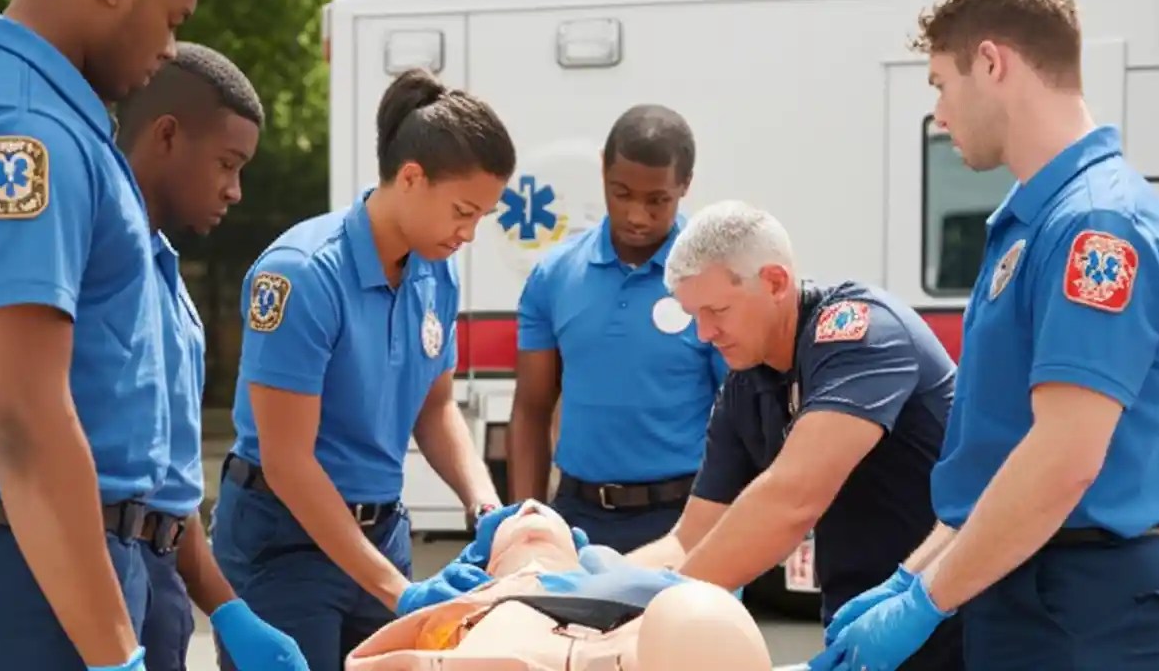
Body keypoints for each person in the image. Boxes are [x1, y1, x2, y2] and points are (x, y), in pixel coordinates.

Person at [810, 0, 1159, 671]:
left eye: (940, 84)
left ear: (991, 62)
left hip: (1083, 606)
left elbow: (1062, 462)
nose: (940, 114)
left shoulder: (1095, 226)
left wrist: (926, 602)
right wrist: (912, 577)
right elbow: (995, 463)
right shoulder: (1034, 221)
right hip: (1026, 587)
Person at [210, 67, 514, 671]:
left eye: (481, 217)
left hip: (379, 532)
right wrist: (399, 592)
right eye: (462, 211)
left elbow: (435, 406)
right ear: (411, 178)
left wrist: (485, 506)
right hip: (284, 542)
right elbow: (288, 461)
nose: (469, 233)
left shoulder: (435, 269)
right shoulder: (302, 274)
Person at [0, 0, 203, 670]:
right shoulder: (25, 131)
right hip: (21, 568)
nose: (170, 49)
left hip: (54, 554)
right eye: (171, 20)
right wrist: (114, 652)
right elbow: (25, 417)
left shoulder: (55, 119)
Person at [626, 200, 964, 670]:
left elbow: (792, 497)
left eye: (717, 310)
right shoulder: (746, 385)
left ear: (776, 282)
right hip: (858, 624)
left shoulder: (859, 336)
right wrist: (607, 586)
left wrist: (663, 609)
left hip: (948, 613)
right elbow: (692, 537)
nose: (704, 333)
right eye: (693, 315)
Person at [115, 42, 307, 670]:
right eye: (227, 164)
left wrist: (227, 609)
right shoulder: (96, 273)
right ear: (167, 136)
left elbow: (169, 493)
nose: (236, 190)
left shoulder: (171, 291)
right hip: (88, 573)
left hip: (160, 579)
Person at [508, 104, 727, 553]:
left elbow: (743, 416)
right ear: (603, 171)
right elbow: (531, 410)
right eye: (621, 193)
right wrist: (525, 525)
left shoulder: (714, 280)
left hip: (687, 520)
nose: (637, 216)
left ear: (685, 185)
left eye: (657, 200)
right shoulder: (553, 276)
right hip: (578, 519)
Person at [345, 500, 774, 671]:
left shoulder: (625, 579)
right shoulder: (465, 603)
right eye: (514, 522)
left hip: (623, 653)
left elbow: (713, 607)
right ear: (489, 561)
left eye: (549, 517)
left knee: (697, 622)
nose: (531, 508)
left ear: (576, 548)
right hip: (495, 652)